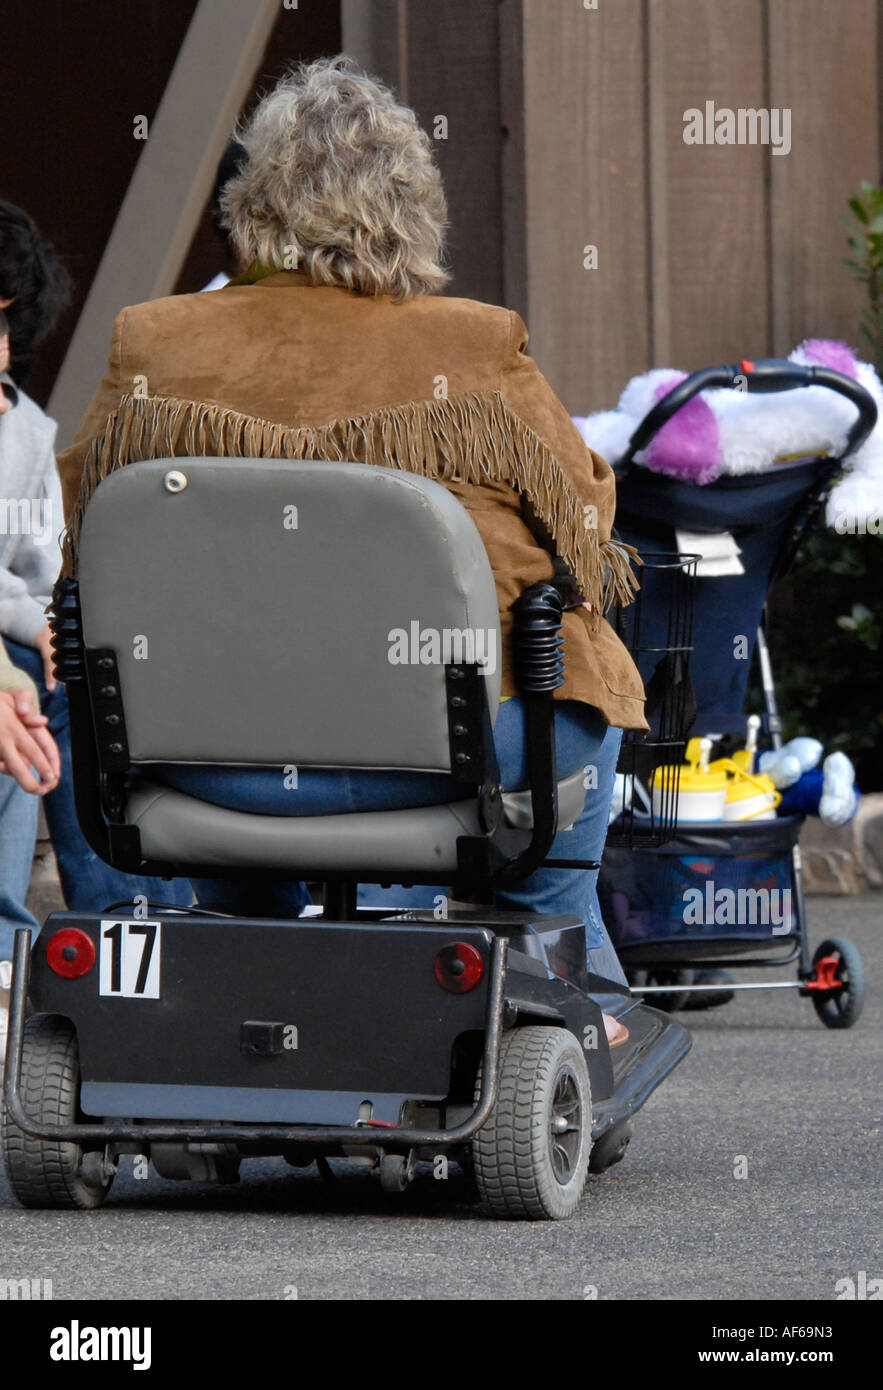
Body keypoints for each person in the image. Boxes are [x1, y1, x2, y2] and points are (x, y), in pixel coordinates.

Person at [56, 58, 648, 1039]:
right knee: (578, 658)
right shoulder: (477, 345)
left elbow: (81, 534)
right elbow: (586, 534)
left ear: (253, 203)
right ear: (413, 205)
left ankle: (245, 954)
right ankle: (554, 947)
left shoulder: (155, 344)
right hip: (452, 758)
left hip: (202, 761)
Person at [0, 203, 191, 1039]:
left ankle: (131, 930)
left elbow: (44, 563)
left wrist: (49, 625)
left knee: (78, 669)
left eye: (6, 321)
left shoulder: (31, 434)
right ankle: (8, 943)